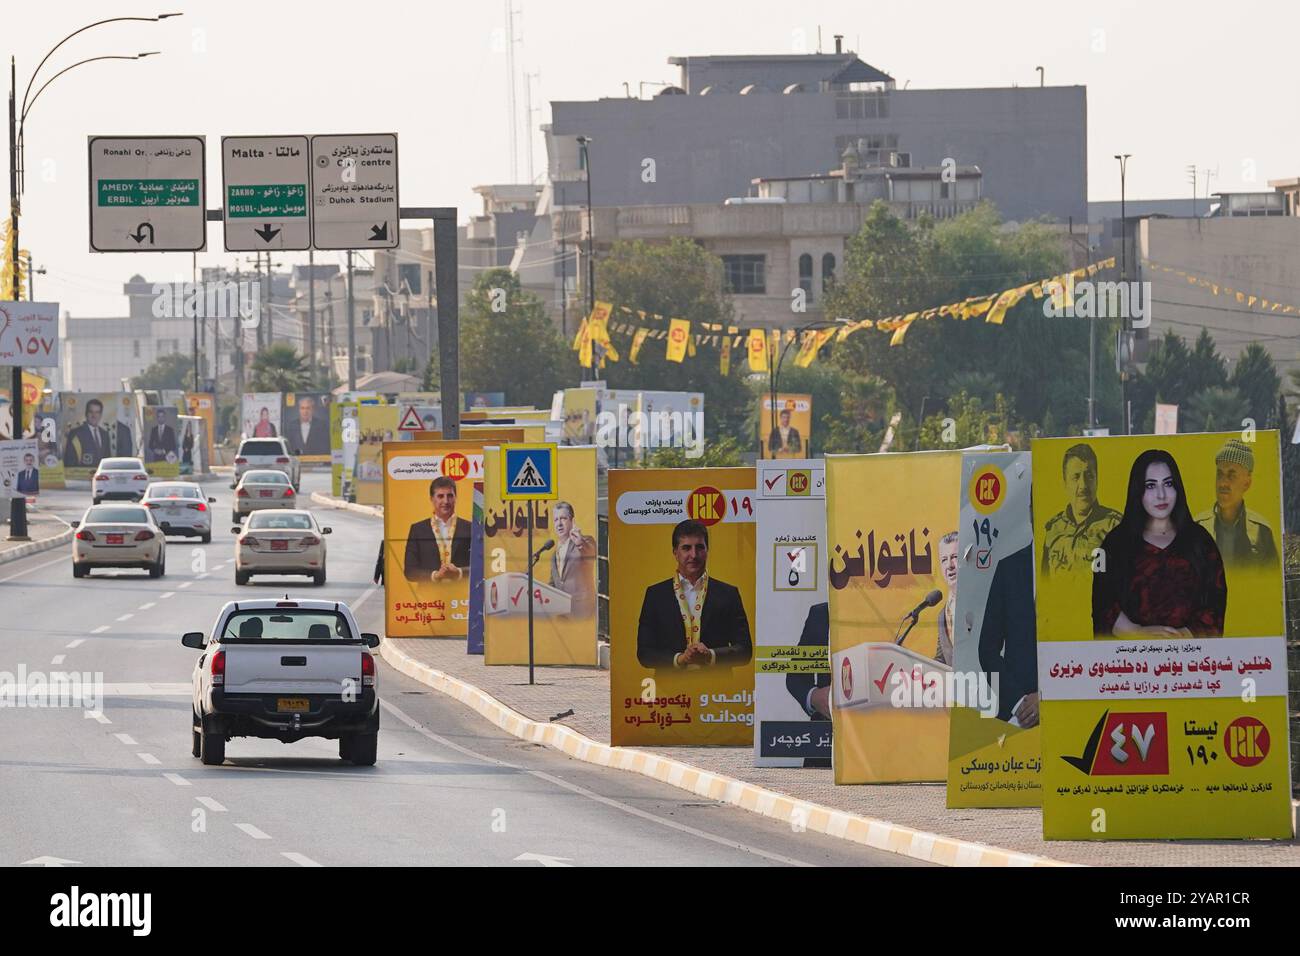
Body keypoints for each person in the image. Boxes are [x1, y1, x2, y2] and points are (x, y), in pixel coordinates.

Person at [1093, 449, 1227, 637]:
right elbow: (1103, 603)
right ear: (1137, 490)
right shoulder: (1115, 544)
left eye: (1168, 483)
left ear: (1177, 487)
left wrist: (1182, 637)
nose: (1161, 495)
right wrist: (1138, 633)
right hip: (1130, 660)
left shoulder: (1200, 542)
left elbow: (1216, 602)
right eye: (1150, 486)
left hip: (1192, 659)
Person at [636, 519, 752, 670]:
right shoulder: (656, 595)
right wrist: (680, 659)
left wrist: (711, 655)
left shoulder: (728, 594)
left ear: (707, 551)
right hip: (669, 691)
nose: (694, 555)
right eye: (686, 548)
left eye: (699, 547)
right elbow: (645, 653)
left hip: (718, 690)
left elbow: (744, 651)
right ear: (675, 553)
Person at [976, 545, 1039, 726]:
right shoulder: (1010, 567)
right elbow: (987, 650)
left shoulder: (1082, 566)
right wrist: (1019, 703)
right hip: (1016, 719)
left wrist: (1047, 697)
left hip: (1068, 717)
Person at [1193, 438, 1278, 568]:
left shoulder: (1262, 531)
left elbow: (1272, 581)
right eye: (1219, 474)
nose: (1222, 483)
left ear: (1247, 483)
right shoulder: (1198, 528)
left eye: (1231, 475)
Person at [1041, 443, 1121, 575]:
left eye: (1089, 476)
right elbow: (1044, 583)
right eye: (1075, 477)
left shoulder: (1115, 526)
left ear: (1097, 480)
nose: (1083, 485)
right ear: (1065, 483)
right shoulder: (1053, 530)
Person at [402, 476, 471, 582]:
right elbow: (410, 571)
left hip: (461, 596)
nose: (446, 501)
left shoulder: (470, 528)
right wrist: (435, 576)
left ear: (455, 497)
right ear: (431, 499)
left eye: (450, 496)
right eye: (440, 496)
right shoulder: (418, 530)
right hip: (428, 596)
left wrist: (459, 572)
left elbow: (480, 567)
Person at [548, 501, 596, 616]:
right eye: (556, 520)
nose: (559, 524)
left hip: (584, 611)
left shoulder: (586, 541)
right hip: (563, 614)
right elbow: (553, 584)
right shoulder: (554, 555)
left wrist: (580, 543)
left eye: (563, 518)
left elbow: (590, 553)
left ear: (572, 521)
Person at [63, 397, 133, 469]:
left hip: (101, 477)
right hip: (82, 477)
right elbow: (69, 461)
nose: (94, 415)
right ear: (86, 414)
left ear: (100, 415)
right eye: (91, 412)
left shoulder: (104, 434)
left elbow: (107, 459)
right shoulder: (75, 433)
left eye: (97, 412)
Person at [935, 531, 959, 666]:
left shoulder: (983, 603)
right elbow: (941, 661)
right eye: (944, 560)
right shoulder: (942, 615)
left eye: (954, 557)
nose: (949, 565)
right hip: (957, 685)